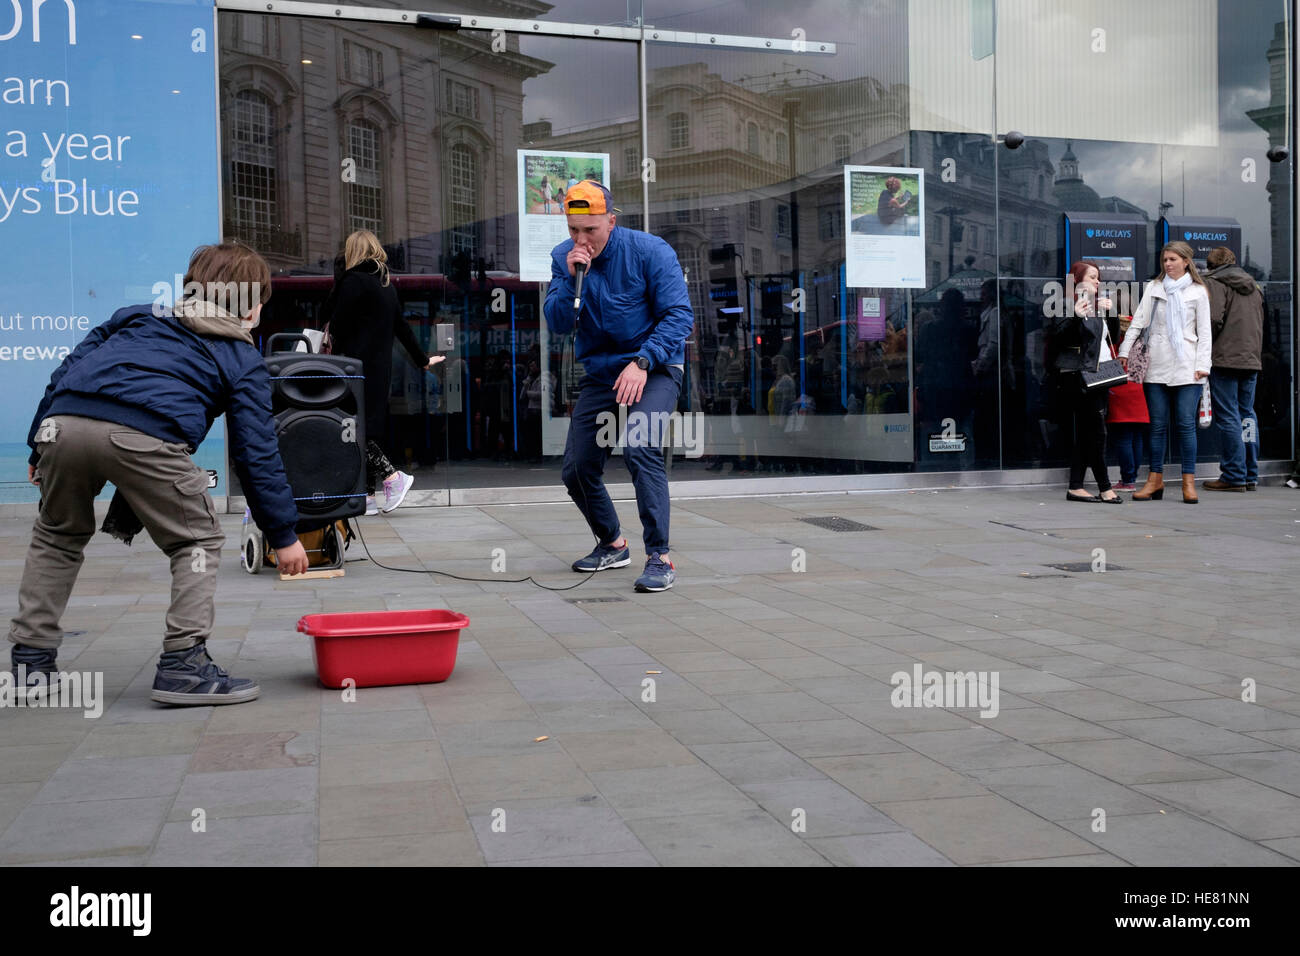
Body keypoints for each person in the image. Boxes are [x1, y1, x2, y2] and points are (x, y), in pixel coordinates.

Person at [8, 243, 308, 705]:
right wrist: (283, 533)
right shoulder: (240, 356)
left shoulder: (134, 317)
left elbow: (65, 372)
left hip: (63, 425)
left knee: (57, 536)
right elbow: (256, 452)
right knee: (197, 541)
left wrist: (36, 443)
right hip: (142, 436)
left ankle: (31, 663)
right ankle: (184, 664)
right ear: (250, 304)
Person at [543, 181, 693, 592]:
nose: (581, 239)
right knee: (576, 469)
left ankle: (659, 557)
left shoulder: (650, 251)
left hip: (656, 365)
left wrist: (643, 361)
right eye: (574, 230)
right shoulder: (564, 258)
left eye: (590, 230)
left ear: (611, 220)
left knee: (640, 445)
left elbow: (680, 316)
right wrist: (575, 275)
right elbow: (557, 322)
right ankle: (612, 542)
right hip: (603, 372)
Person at [326, 229, 443, 514]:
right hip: (379, 370)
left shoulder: (352, 281)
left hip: (353, 369)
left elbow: (337, 324)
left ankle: (393, 477)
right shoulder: (386, 285)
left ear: (352, 252)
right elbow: (401, 327)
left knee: (353, 430)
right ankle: (366, 497)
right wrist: (422, 360)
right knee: (367, 429)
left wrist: (338, 280)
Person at [1118, 240, 1212, 503]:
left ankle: (1188, 482)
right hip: (1157, 363)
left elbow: (1205, 333)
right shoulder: (1154, 287)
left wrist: (1203, 366)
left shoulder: (1198, 292)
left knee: (1185, 425)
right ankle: (1154, 480)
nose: (1168, 264)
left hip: (1187, 365)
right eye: (1165, 260)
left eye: (1173, 259)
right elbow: (1138, 322)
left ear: (1185, 261)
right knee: (1157, 426)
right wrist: (1125, 351)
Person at [1047, 261, 1123, 503]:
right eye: (1092, 277)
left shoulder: (1097, 306)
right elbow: (1057, 339)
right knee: (1097, 431)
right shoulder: (1064, 304)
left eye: (1098, 278)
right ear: (1077, 279)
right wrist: (1075, 317)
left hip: (1099, 373)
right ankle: (1105, 487)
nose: (1097, 281)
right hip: (1077, 376)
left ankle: (1076, 486)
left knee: (1088, 432)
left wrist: (1110, 313)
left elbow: (1109, 338)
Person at [1201, 247, 1264, 491]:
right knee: (1246, 414)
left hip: (1225, 358)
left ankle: (1233, 475)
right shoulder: (1254, 287)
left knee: (1228, 417)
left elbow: (1213, 319)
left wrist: (1205, 345)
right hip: (1250, 358)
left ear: (1210, 265)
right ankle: (1250, 473)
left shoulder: (1215, 282)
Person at [1106, 313, 1150, 490]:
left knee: (1123, 438)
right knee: (1136, 437)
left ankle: (1127, 479)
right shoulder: (1141, 344)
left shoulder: (1113, 344)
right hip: (1139, 392)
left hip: (1119, 391)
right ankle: (1132, 476)